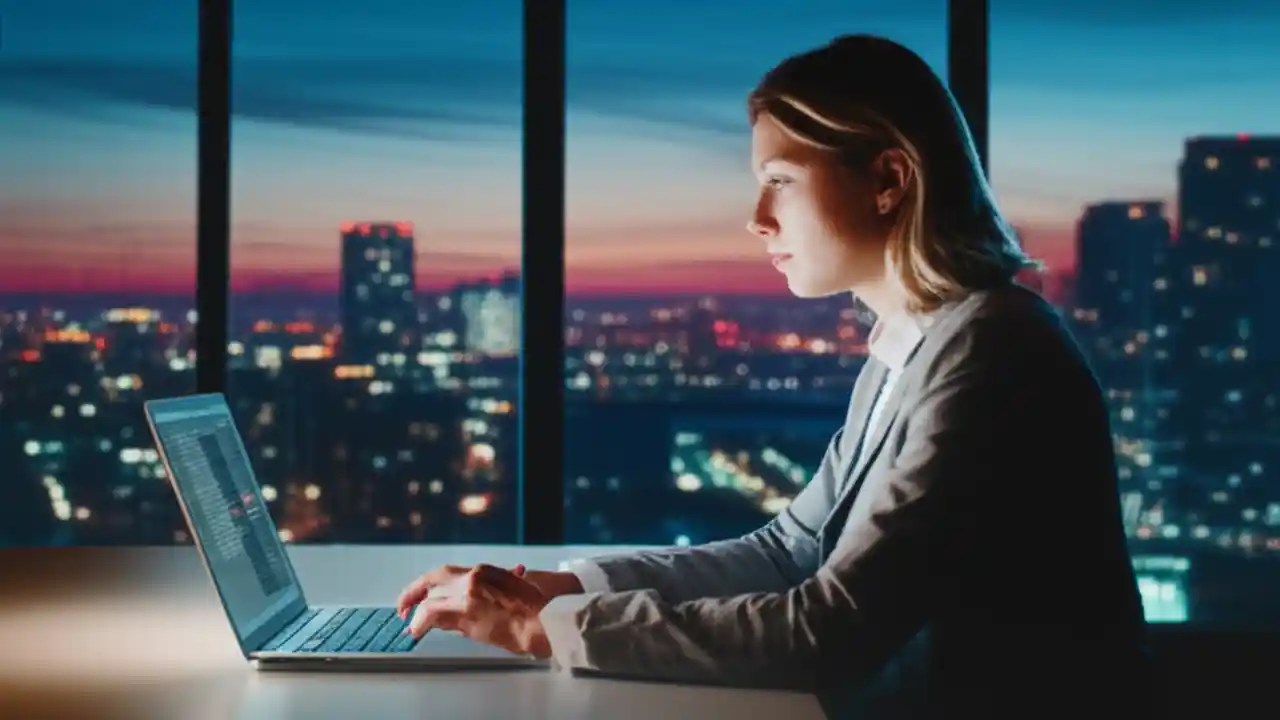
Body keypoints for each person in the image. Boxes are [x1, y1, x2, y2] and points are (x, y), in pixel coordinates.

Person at [394, 34, 1154, 717]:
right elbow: (791, 551)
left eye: (781, 180)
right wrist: (572, 588)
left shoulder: (990, 351)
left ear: (889, 180)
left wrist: (541, 628)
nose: (756, 217)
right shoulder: (918, 341)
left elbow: (829, 629)